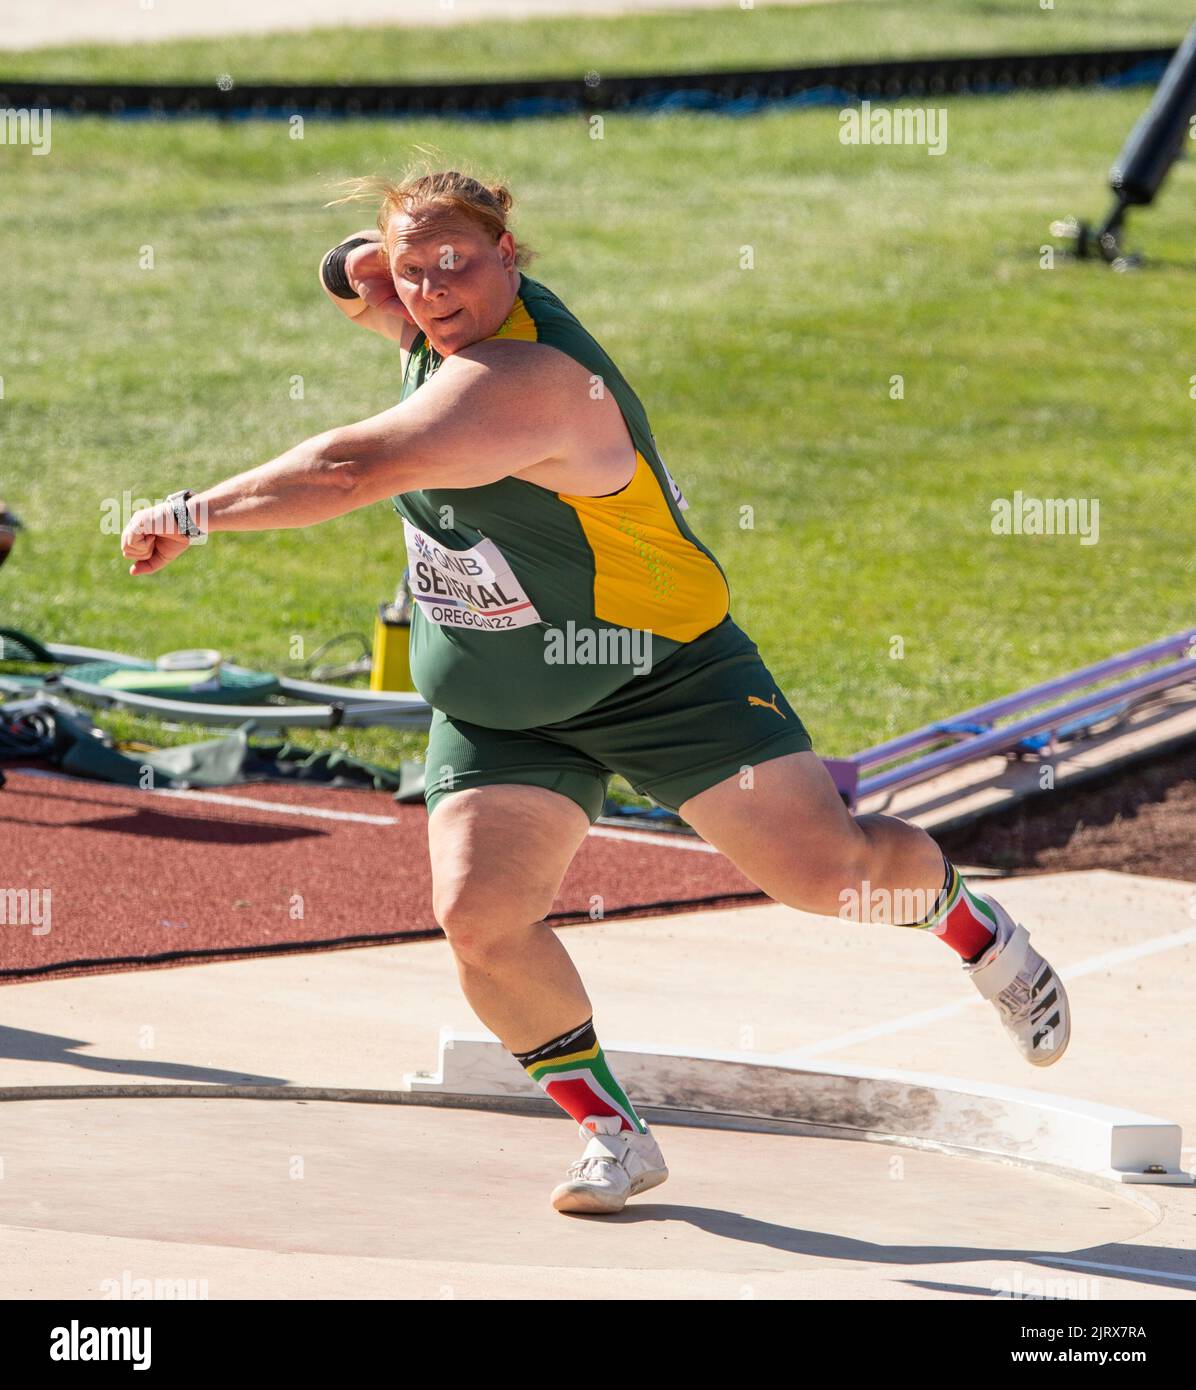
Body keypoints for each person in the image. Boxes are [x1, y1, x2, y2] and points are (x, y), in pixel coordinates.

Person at [121, 167, 1070, 1216]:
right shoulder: (434, 324)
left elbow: (350, 471)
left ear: (511, 257)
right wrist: (361, 267)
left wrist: (193, 512)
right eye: (412, 274)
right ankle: (609, 1130)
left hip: (660, 673)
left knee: (830, 875)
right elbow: (358, 279)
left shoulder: (529, 381)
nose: (432, 294)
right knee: (480, 916)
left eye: (458, 267)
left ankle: (976, 931)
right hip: (497, 706)